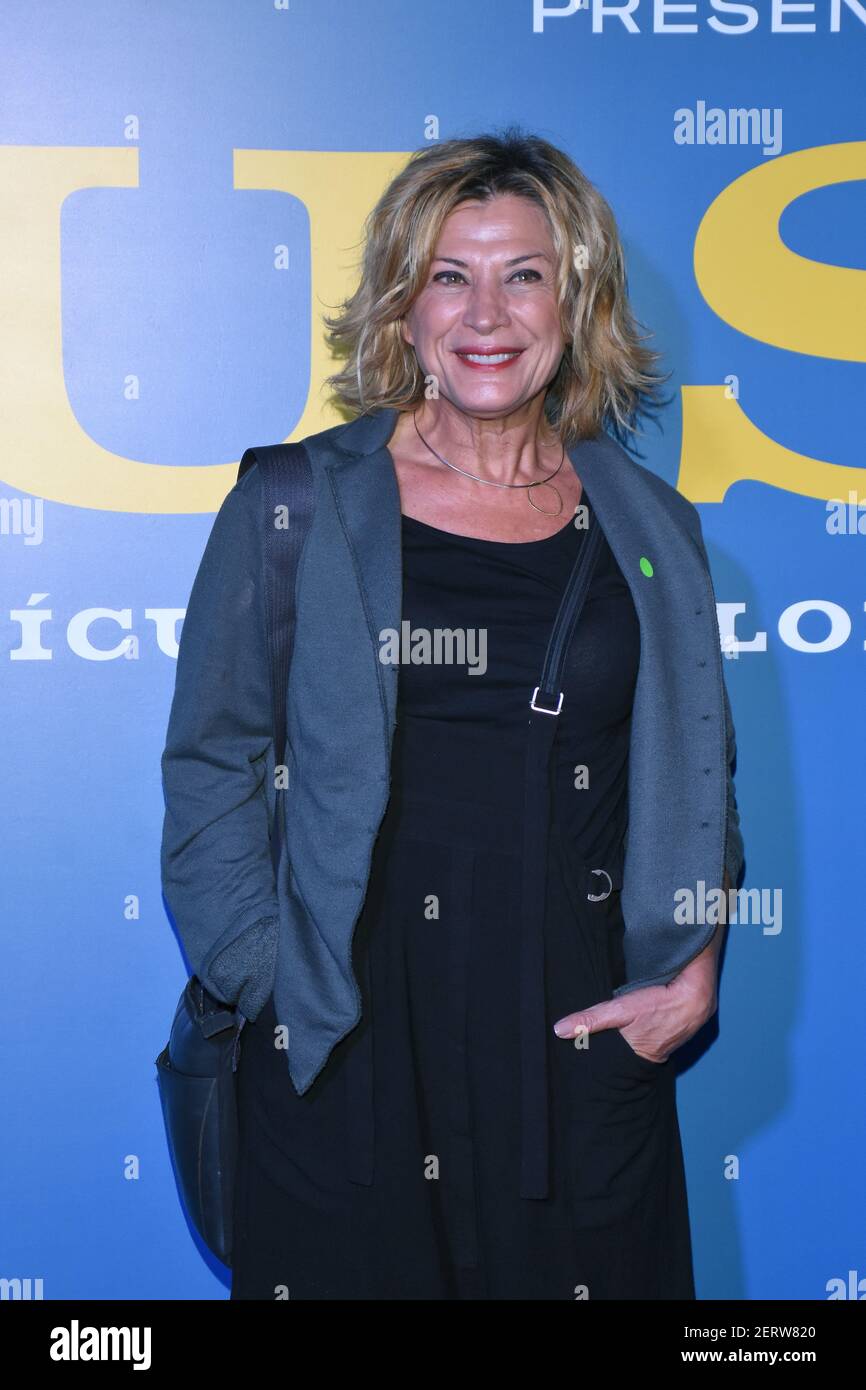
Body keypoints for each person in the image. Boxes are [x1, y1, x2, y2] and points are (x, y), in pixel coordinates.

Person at [160, 127, 745, 1300]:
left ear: (573, 299)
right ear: (404, 306)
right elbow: (212, 765)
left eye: (522, 273)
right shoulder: (293, 505)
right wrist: (269, 979)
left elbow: (695, 770)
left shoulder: (651, 525)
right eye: (449, 275)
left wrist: (694, 960)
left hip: (580, 1047)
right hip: (348, 1044)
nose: (487, 312)